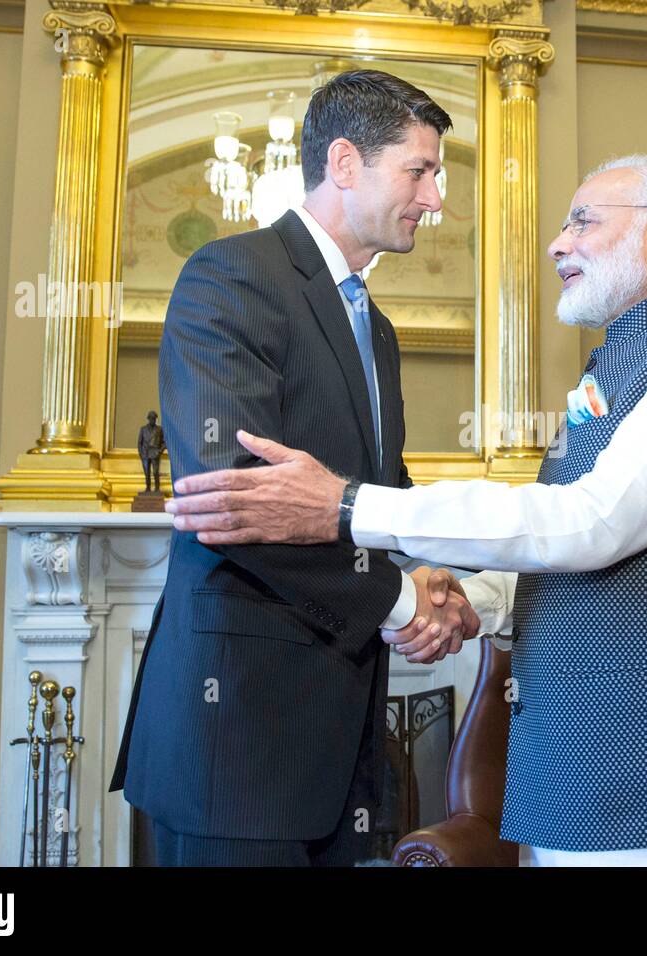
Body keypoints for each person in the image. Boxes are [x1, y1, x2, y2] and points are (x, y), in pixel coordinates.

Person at [167, 155, 647, 866]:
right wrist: (473, 599)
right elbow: (587, 553)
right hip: (582, 786)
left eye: (583, 220)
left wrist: (347, 505)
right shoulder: (619, 360)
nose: (557, 242)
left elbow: (594, 523)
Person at [108, 70, 481, 866]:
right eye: (420, 170)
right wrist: (399, 599)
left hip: (341, 748)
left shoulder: (373, 324)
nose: (436, 197)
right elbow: (234, 499)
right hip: (239, 747)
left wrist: (440, 575)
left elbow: (379, 494)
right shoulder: (231, 274)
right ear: (345, 163)